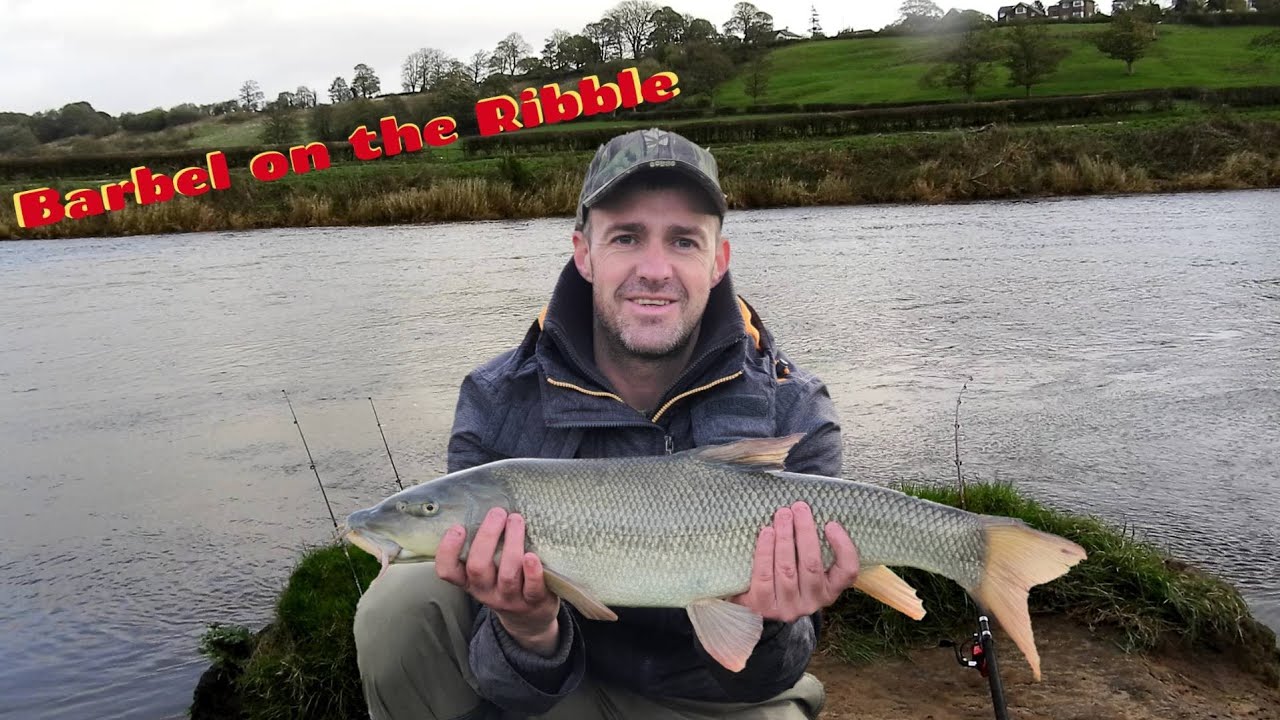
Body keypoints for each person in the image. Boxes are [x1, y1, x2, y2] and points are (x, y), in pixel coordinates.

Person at [353, 127, 860, 720]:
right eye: (625, 237)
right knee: (401, 601)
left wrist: (773, 621)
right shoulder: (495, 399)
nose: (654, 269)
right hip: (562, 693)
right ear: (584, 253)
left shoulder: (794, 408)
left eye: (683, 241)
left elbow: (767, 675)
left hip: (713, 697)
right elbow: (512, 687)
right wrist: (527, 626)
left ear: (718, 261)